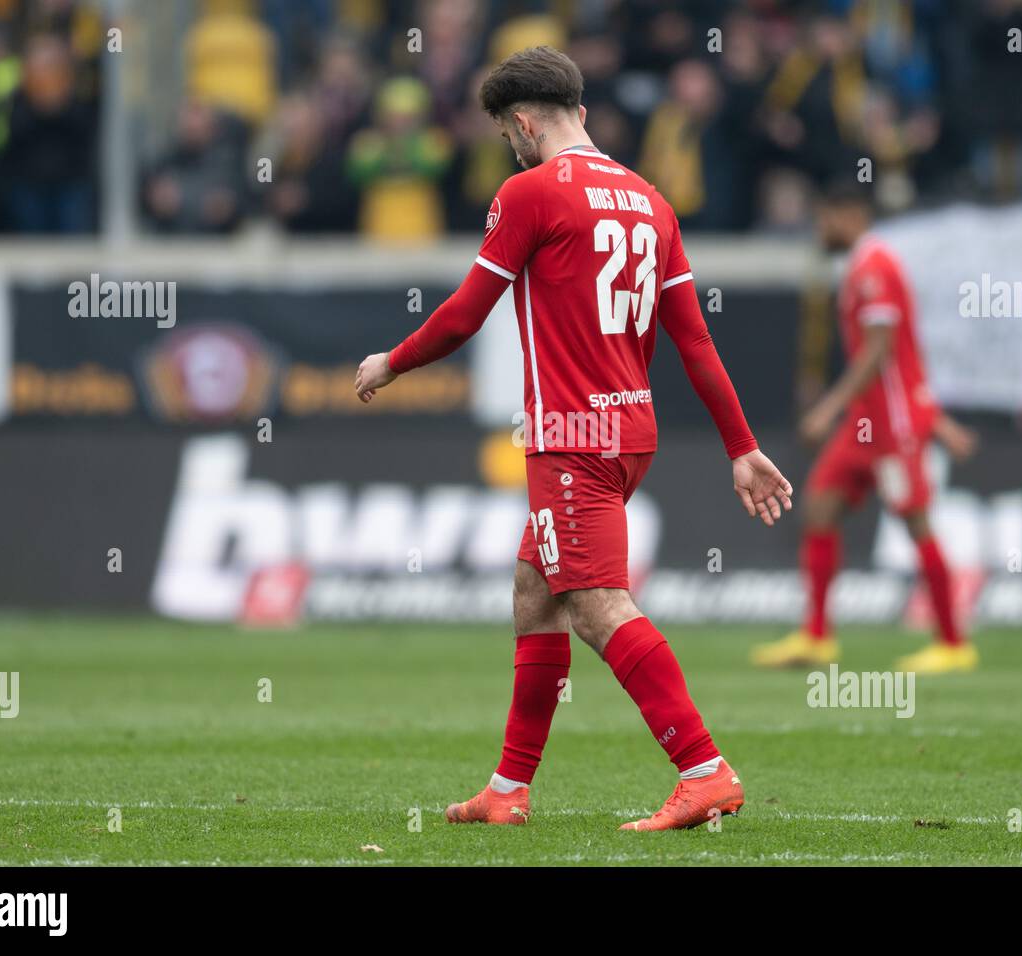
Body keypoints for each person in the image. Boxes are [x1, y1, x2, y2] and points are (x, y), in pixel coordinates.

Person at [356, 46, 792, 830]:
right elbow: (696, 344)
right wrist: (740, 446)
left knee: (596, 605)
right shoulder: (651, 202)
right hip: (629, 431)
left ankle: (704, 770)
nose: (508, 148)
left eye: (505, 134)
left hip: (572, 435)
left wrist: (392, 361)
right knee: (536, 594)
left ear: (524, 124)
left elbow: (465, 312)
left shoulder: (529, 193)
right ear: (581, 112)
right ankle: (507, 790)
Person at [751, 179, 979, 675]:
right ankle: (816, 637)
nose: (820, 229)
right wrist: (937, 419)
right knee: (819, 508)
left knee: (915, 521)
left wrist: (827, 409)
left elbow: (880, 350)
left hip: (890, 426)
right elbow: (904, 357)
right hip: (866, 424)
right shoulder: (862, 266)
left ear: (850, 215)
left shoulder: (875, 267)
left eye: (825, 218)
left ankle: (952, 643)